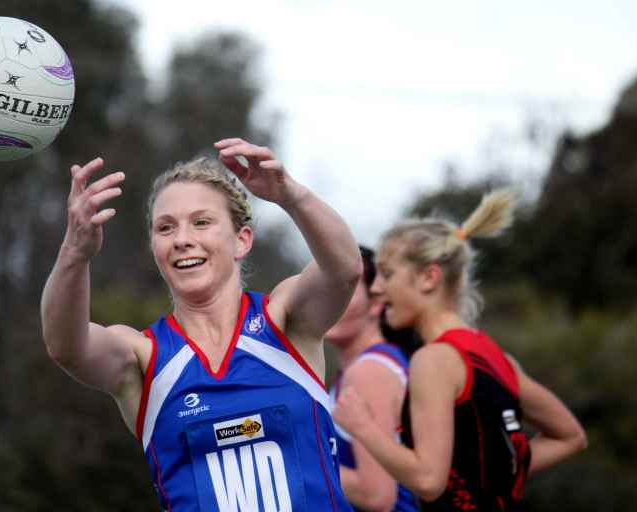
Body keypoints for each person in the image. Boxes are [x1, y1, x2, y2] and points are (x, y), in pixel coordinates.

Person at [40, 137, 361, 511]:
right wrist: (74, 253)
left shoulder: (283, 321)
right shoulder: (144, 357)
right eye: (165, 228)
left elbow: (345, 270)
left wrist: (292, 195)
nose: (182, 240)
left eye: (202, 222)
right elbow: (66, 346)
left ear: (242, 240)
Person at [333, 189, 587, 511]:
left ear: (429, 278)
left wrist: (362, 427)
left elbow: (428, 481)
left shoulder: (434, 361)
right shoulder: (497, 358)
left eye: (388, 273)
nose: (377, 288)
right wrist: (491, 474)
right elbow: (570, 436)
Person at [326, 245, 420, 512]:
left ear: (377, 302)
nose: (327, 300)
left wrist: (297, 460)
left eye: (343, 288)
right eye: (322, 288)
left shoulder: (369, 372)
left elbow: (377, 495)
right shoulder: (375, 364)